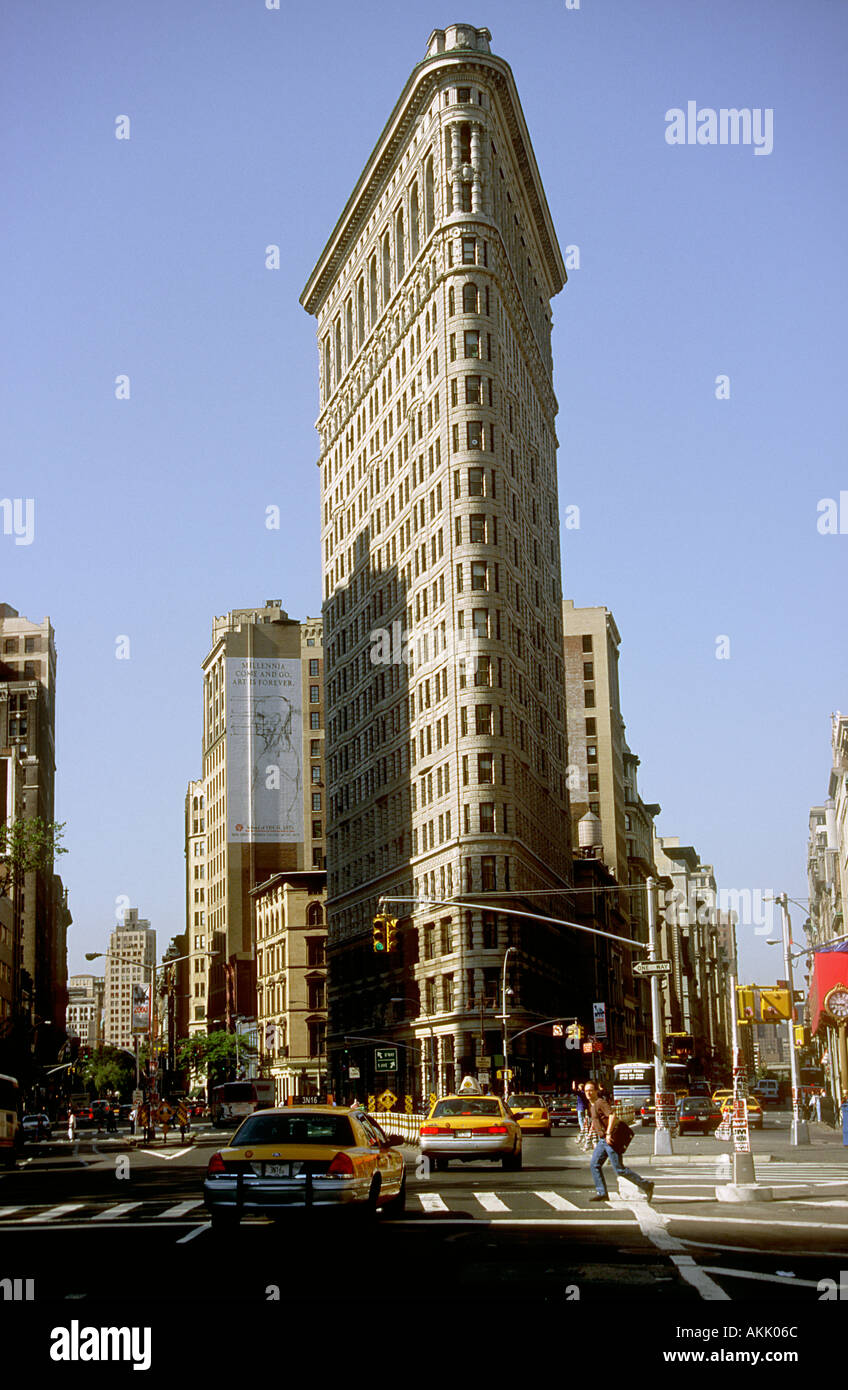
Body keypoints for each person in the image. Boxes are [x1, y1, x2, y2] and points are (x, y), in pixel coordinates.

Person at [584, 1080, 654, 1205]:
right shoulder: (591, 1105)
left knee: (619, 1169)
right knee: (594, 1164)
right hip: (602, 1140)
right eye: (586, 1090)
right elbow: (596, 1121)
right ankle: (602, 1193)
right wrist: (591, 1133)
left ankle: (647, 1185)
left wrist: (609, 1133)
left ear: (596, 1091)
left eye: (590, 1090)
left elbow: (612, 1115)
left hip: (610, 1139)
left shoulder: (600, 1102)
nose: (588, 1093)